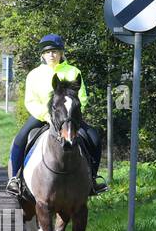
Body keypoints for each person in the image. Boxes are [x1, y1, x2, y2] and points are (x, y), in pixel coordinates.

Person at [7, 34, 107, 197]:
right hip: (43, 118)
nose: (51, 55)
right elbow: (30, 101)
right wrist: (46, 115)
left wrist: (72, 114)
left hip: (69, 118)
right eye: (47, 52)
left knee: (94, 138)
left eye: (55, 51)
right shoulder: (34, 75)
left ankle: (93, 179)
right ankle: (15, 179)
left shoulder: (73, 72)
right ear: (42, 55)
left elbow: (82, 97)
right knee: (20, 138)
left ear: (61, 53)